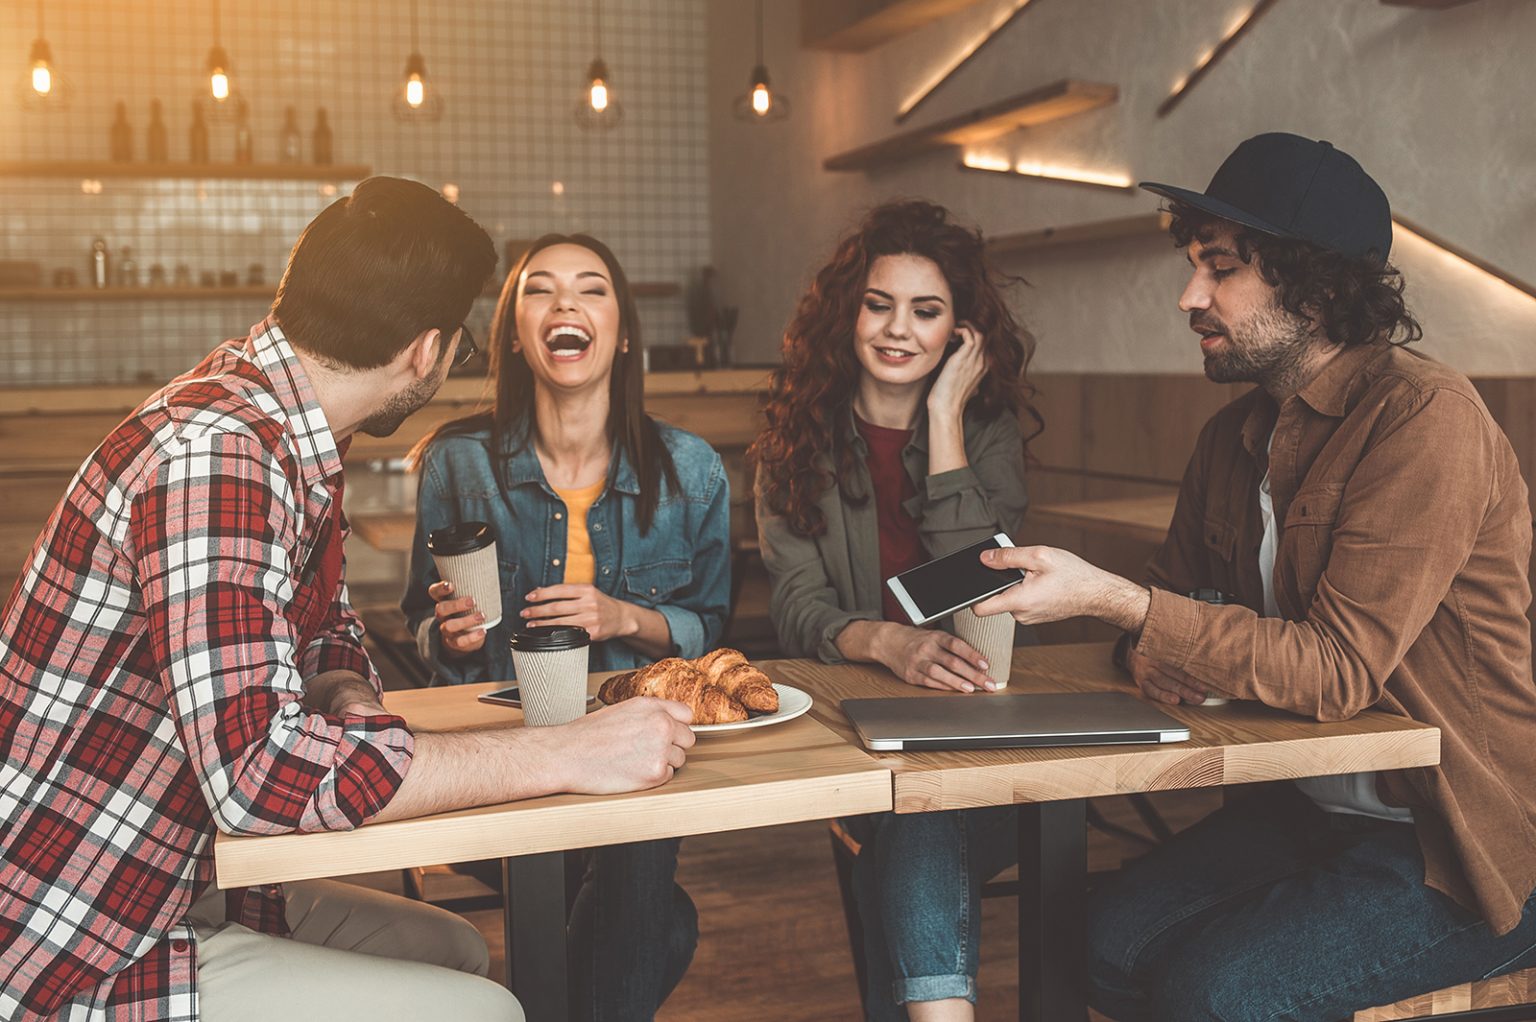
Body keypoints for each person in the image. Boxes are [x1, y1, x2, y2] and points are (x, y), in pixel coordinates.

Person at [0, 178, 696, 1022]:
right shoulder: (219, 457)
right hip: (80, 927)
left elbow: (324, 629)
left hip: (177, 869)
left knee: (460, 950)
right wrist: (563, 753)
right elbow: (259, 776)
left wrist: (350, 697)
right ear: (424, 351)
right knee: (488, 1013)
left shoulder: (285, 432)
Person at [973, 133, 1536, 1020]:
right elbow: (1174, 616)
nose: (1189, 295)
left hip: (1453, 841)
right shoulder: (1231, 437)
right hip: (1309, 811)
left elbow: (1336, 670)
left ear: (1316, 289)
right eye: (1195, 265)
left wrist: (1120, 604)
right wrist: (1145, 643)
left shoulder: (1425, 421)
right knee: (1083, 944)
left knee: (1212, 995)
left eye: (1221, 269)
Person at [403, 233, 731, 1021]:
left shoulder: (692, 471)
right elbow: (418, 623)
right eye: (540, 291)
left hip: (632, 753)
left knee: (640, 867)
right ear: (516, 333)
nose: (566, 305)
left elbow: (713, 632)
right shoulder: (458, 464)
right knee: (657, 912)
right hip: (500, 764)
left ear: (621, 331)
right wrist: (444, 635)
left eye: (591, 289)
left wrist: (624, 616)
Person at [750, 199, 1040, 1020]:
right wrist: (887, 643)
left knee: (914, 818)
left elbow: (984, 586)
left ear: (960, 332)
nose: (897, 329)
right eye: (879, 304)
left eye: (927, 310)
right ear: (850, 312)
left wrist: (945, 421)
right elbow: (798, 605)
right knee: (904, 821)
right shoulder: (793, 437)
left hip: (984, 721)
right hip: (854, 723)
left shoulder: (986, 433)